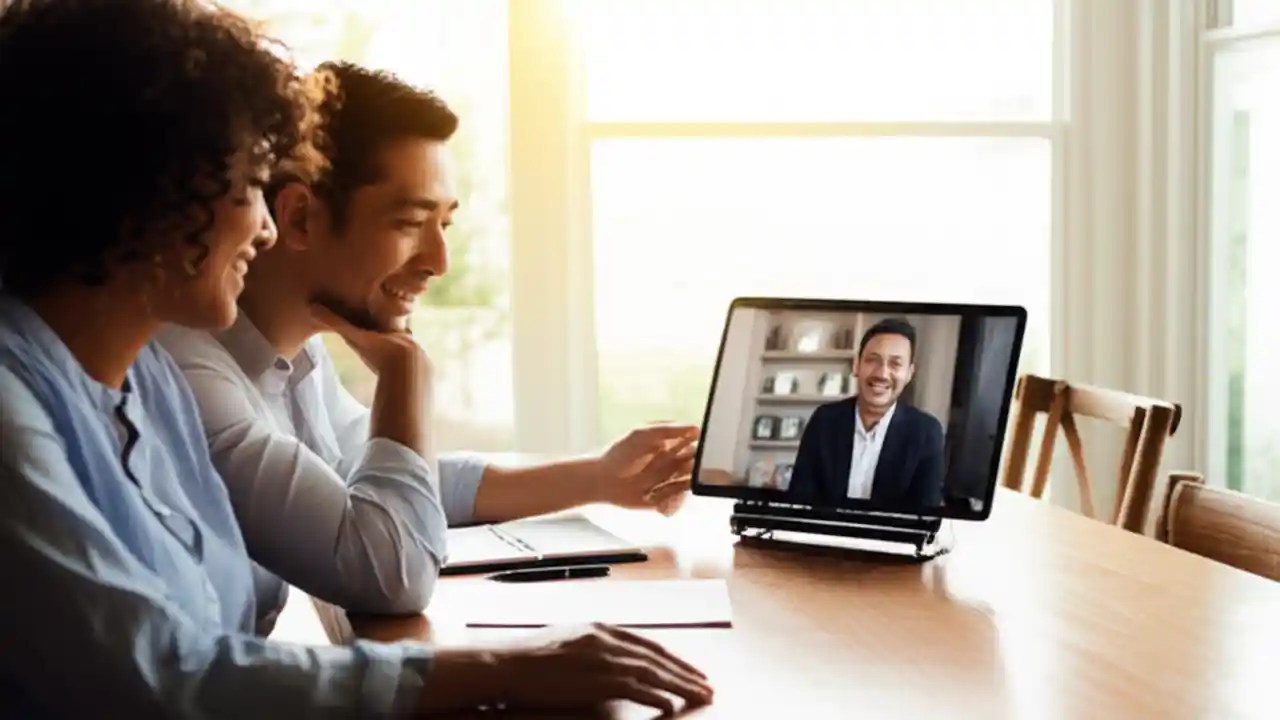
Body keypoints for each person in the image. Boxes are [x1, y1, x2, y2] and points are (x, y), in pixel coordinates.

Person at [0, 1, 711, 716]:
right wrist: (498, 670)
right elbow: (154, 673)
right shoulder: (42, 401)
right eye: (249, 185)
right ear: (147, 191)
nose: (266, 228)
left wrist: (595, 475)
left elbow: (383, 480)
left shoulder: (145, 381)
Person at [157, 61, 698, 620]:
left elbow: (399, 478)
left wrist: (600, 476)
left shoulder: (295, 359)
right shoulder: (189, 376)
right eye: (410, 223)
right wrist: (405, 377)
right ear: (298, 218)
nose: (438, 262)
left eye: (445, 224)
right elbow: (392, 573)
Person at [787, 319, 945, 508]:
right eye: (873, 360)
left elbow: (925, 512)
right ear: (857, 365)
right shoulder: (824, 420)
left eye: (895, 364)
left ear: (909, 373)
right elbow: (799, 498)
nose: (882, 373)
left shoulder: (926, 432)